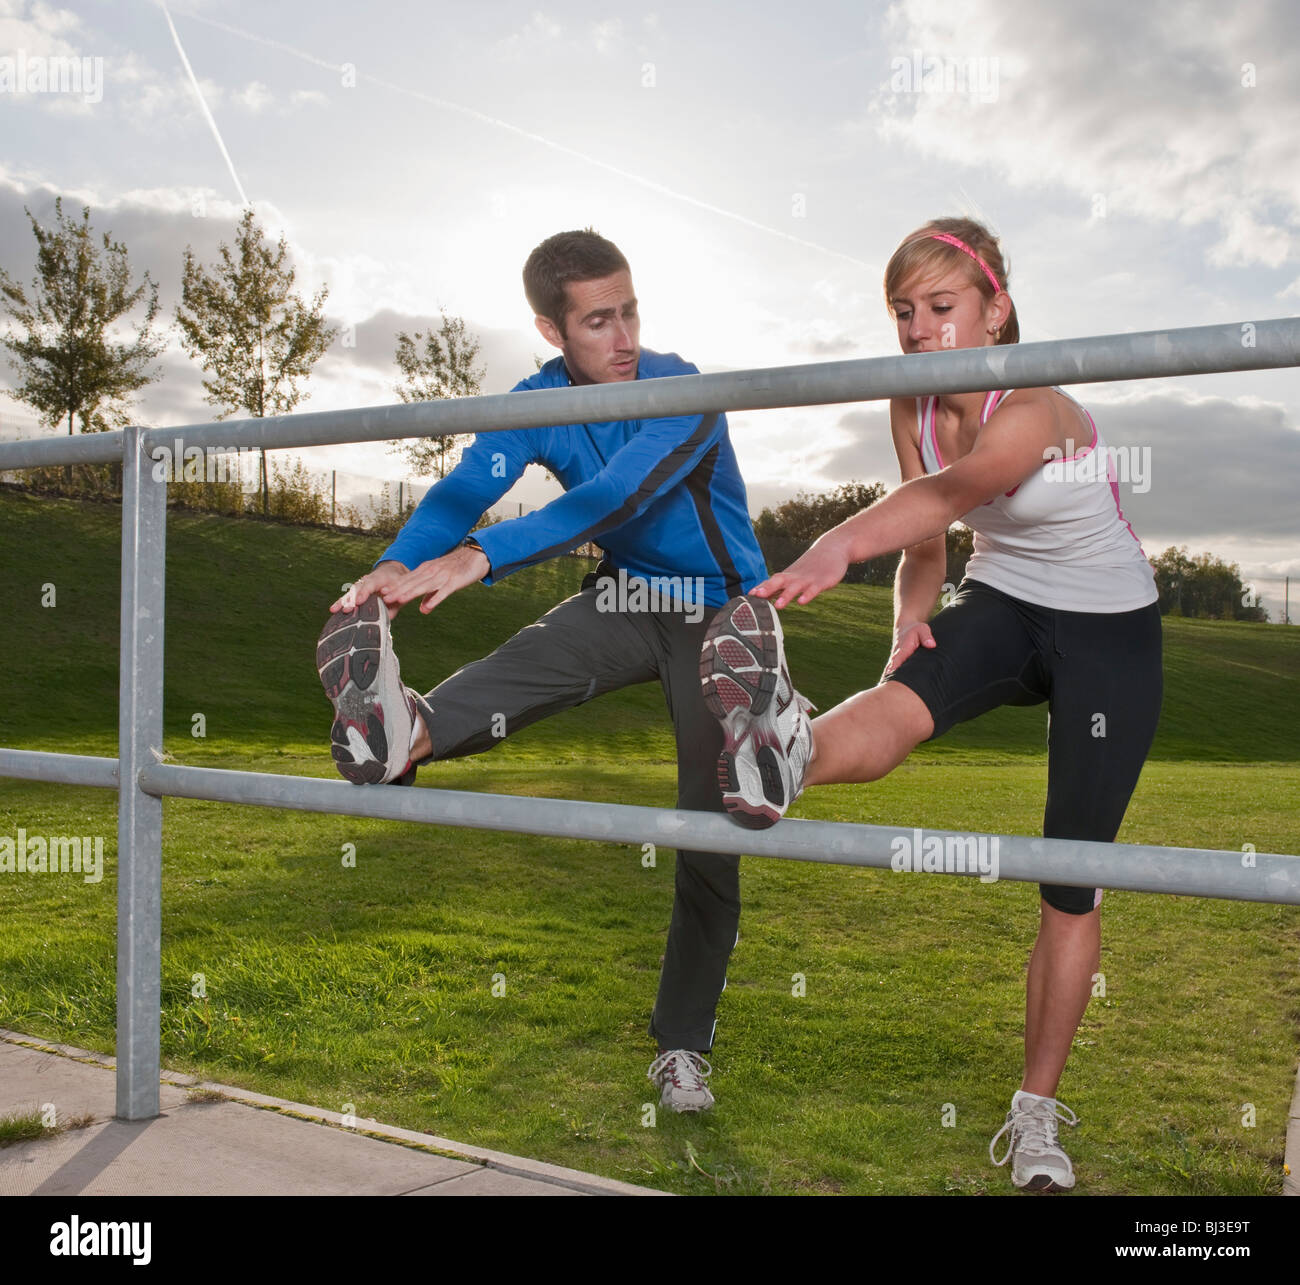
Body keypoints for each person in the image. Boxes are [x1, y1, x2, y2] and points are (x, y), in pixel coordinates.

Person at [700, 216, 1162, 1191]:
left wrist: (835, 543)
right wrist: (908, 619)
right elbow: (928, 540)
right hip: (1002, 602)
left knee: (1067, 875)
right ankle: (782, 749)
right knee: (899, 699)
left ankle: (1035, 1114)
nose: (917, 330)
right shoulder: (905, 405)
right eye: (902, 312)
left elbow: (962, 486)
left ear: (994, 309)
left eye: (939, 308)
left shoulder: (1033, 400)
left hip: (1107, 629)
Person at [316, 228, 768, 1112]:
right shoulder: (538, 399)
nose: (625, 335)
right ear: (552, 329)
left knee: (708, 827)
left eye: (631, 309)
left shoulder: (687, 391)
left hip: (718, 613)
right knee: (528, 661)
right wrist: (395, 565)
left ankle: (681, 1048)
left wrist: (483, 558)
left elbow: (613, 498)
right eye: (599, 321)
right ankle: (406, 729)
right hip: (629, 597)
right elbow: (461, 488)